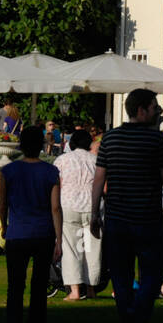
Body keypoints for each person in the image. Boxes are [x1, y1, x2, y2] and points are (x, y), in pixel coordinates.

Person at [90, 89, 163, 323]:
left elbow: (99, 179)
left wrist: (95, 212)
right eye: (154, 108)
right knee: (152, 275)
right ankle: (135, 321)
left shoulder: (110, 139)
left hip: (117, 218)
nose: (158, 112)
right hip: (147, 218)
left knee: (121, 276)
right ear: (141, 109)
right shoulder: (155, 140)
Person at [0, 126, 62, 323]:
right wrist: (60, 239)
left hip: (17, 233)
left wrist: (5, 226)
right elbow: (55, 208)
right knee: (39, 287)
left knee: (15, 285)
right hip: (43, 233)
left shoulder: (9, 171)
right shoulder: (50, 171)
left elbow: (3, 204)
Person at [55, 128, 101, 300]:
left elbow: (56, 184)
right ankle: (91, 289)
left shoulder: (62, 160)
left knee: (71, 249)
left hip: (69, 206)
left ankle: (74, 290)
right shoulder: (95, 160)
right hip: (91, 207)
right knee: (92, 249)